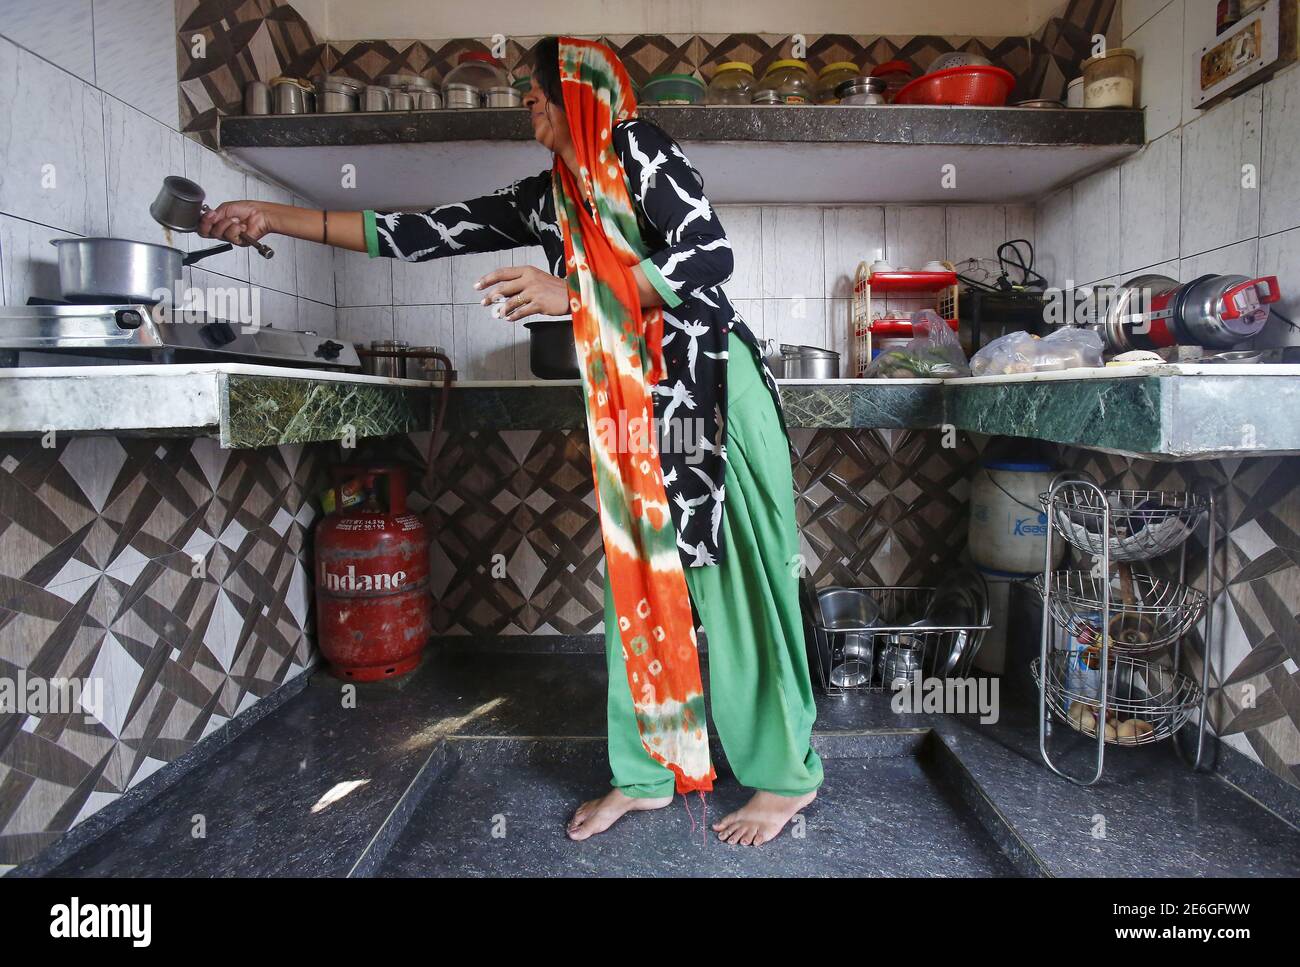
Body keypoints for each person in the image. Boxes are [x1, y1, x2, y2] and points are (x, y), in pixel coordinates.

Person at [199, 36, 823, 847]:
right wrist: (274, 215)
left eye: (533, 96)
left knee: (737, 581)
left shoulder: (638, 147)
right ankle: (647, 774)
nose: (526, 109)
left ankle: (784, 781)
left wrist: (570, 289)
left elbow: (708, 256)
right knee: (636, 581)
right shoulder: (547, 198)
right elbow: (420, 231)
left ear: (576, 95)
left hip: (710, 392)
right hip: (630, 406)